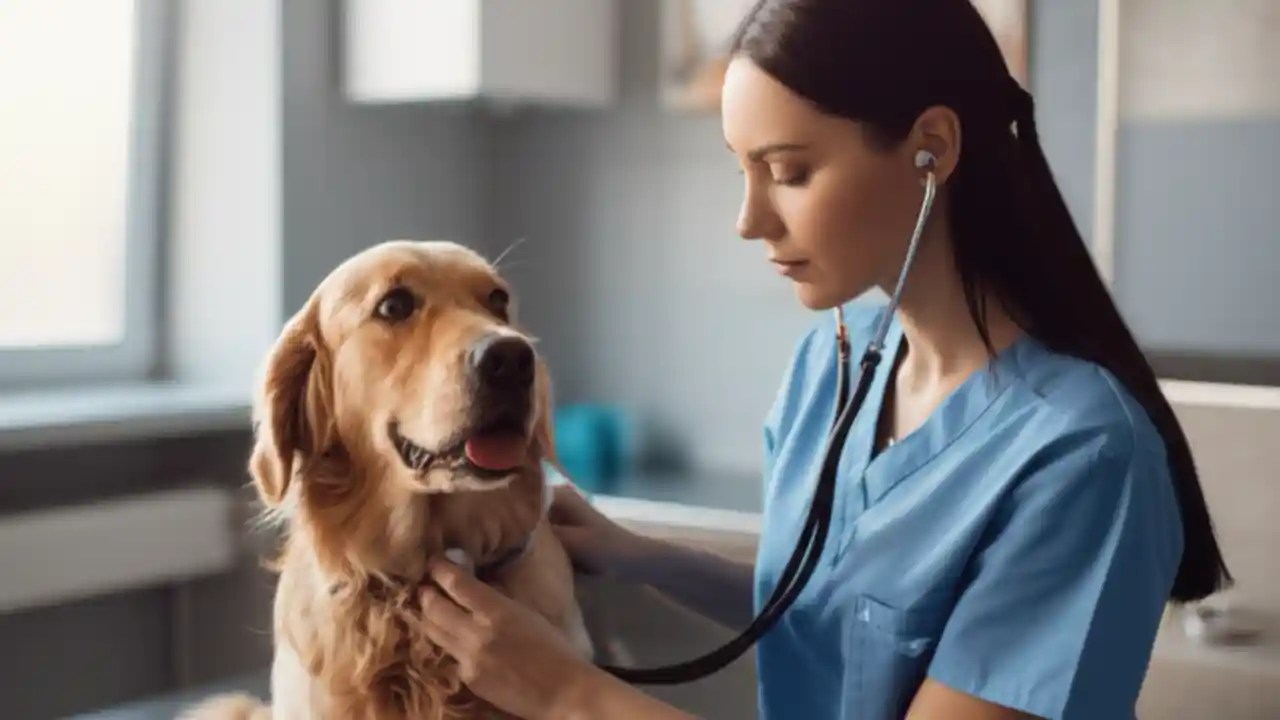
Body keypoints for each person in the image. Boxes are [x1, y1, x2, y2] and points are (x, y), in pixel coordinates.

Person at [418, 0, 1232, 717]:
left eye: (787, 172)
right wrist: (646, 558)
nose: (749, 219)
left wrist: (565, 695)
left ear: (932, 149)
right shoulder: (828, 375)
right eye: (743, 171)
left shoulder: (1080, 458)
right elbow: (848, 618)